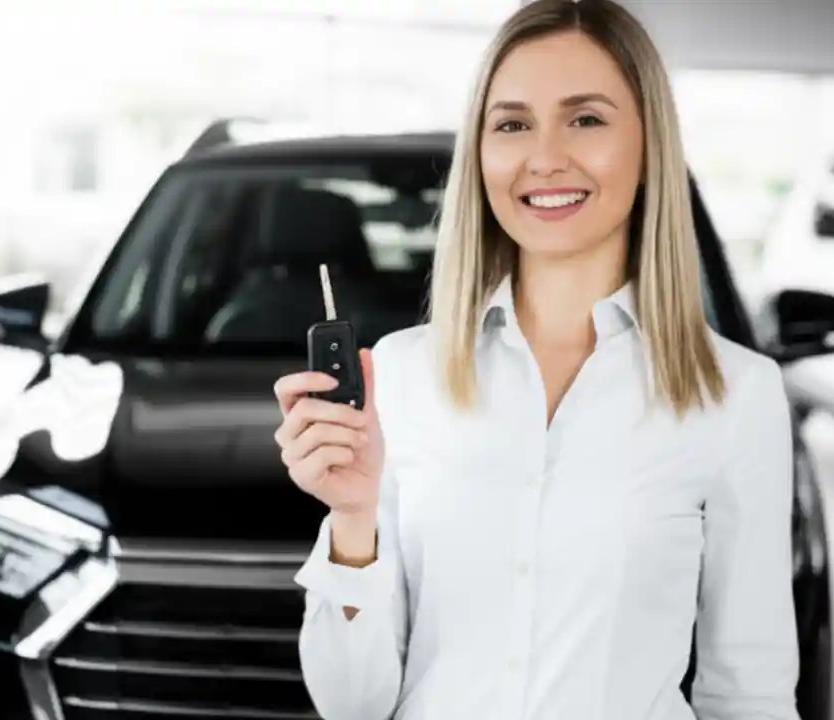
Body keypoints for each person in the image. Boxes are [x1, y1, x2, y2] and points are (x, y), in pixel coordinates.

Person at [271, 0, 800, 718]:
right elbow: (350, 706)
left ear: (649, 145)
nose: (545, 157)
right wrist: (352, 519)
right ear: (480, 153)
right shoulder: (396, 375)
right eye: (513, 124)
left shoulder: (737, 394)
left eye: (586, 118)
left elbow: (751, 693)